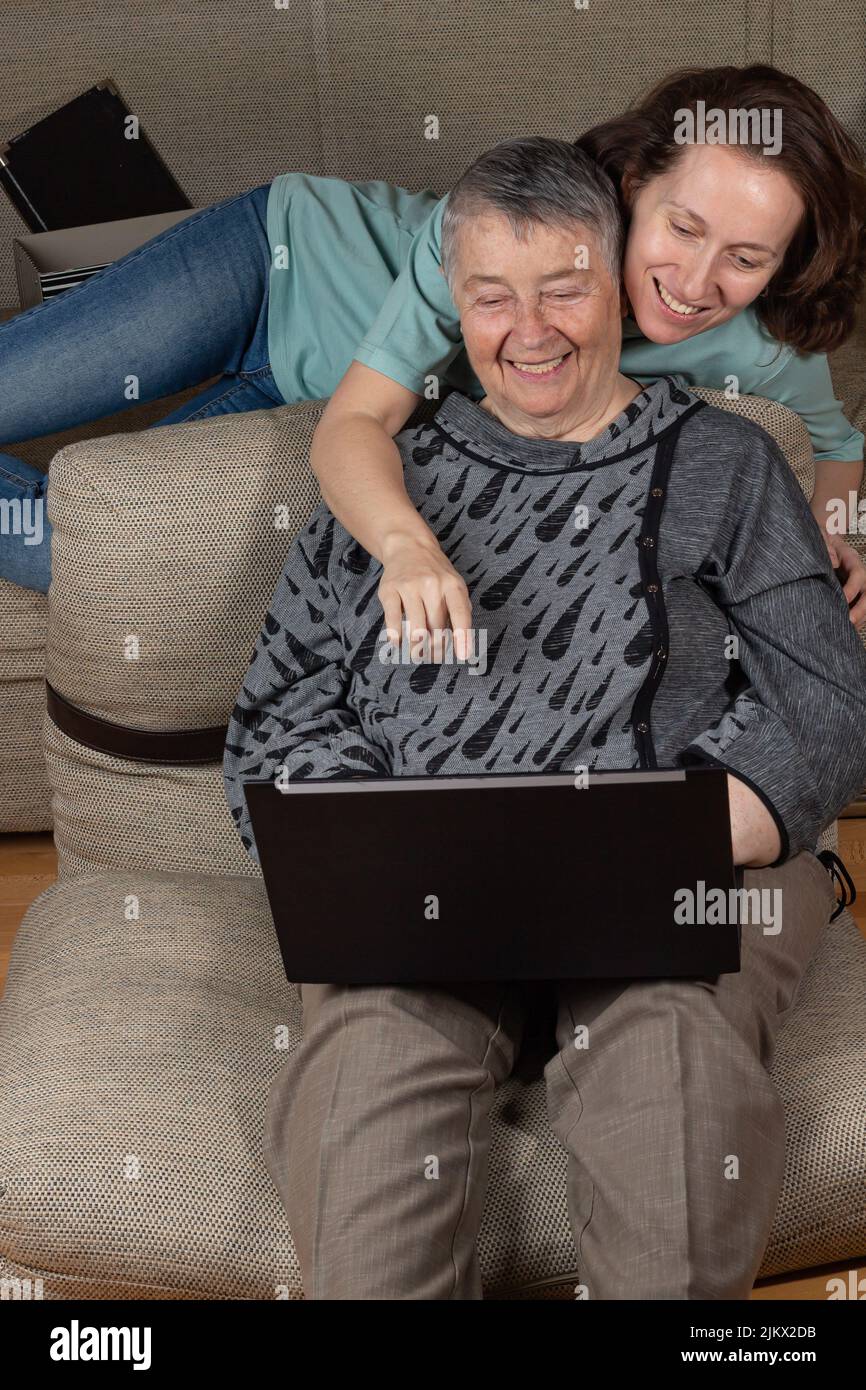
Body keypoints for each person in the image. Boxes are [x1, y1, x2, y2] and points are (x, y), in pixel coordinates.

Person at [222, 138, 866, 1300]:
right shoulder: (386, 488)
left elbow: (822, 696)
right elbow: (277, 714)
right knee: (365, 1090)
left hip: (677, 880)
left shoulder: (720, 462)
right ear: (451, 303)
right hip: (421, 899)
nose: (529, 330)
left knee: (674, 1075)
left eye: (563, 289)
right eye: (491, 297)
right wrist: (381, 842)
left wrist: (676, 830)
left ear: (612, 280)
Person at [1, 63, 865, 625]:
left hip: (298, 393)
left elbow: (838, 446)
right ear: (636, 186)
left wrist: (836, 541)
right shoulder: (504, 229)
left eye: (746, 259)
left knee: (73, 545)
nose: (697, 280)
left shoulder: (760, 351)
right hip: (273, 266)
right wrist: (408, 546)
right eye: (683, 228)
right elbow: (361, 423)